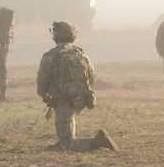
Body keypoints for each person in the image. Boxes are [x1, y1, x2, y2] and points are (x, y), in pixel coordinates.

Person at [36, 21, 118, 152]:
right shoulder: (81, 55)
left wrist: (43, 94)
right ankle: (64, 142)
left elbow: (43, 79)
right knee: (69, 123)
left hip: (62, 103)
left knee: (67, 145)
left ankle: (98, 142)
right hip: (82, 101)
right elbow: (92, 78)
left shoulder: (50, 56)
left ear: (55, 36)